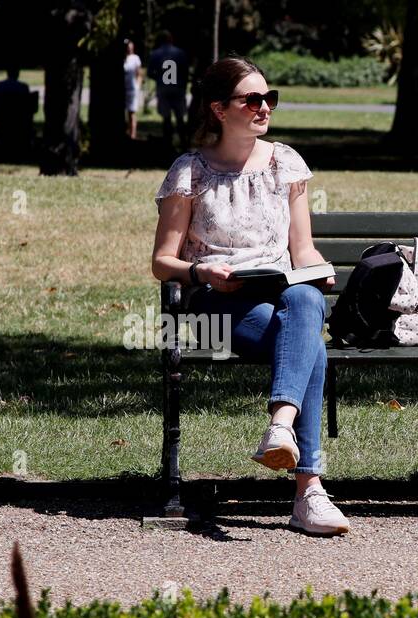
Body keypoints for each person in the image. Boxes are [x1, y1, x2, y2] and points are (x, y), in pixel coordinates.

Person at [151, 56, 350, 536]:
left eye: (270, 99)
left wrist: (319, 272)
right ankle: (308, 493)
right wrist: (202, 272)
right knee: (312, 347)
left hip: (280, 298)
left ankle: (281, 426)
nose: (265, 108)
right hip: (215, 308)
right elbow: (162, 262)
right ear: (220, 110)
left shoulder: (286, 163)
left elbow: (301, 249)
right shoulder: (191, 171)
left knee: (304, 301)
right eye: (253, 99)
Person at [149, 31, 189, 148]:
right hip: (178, 88)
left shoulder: (155, 54)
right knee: (180, 117)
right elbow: (185, 71)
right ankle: (183, 143)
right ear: (171, 40)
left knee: (166, 118)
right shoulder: (180, 53)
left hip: (163, 88)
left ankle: (168, 144)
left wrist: (160, 78)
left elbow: (150, 73)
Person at [123, 39, 144, 140]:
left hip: (132, 88)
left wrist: (137, 86)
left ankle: (133, 135)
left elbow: (139, 73)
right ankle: (127, 132)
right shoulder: (123, 58)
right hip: (124, 88)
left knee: (131, 112)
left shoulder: (135, 58)